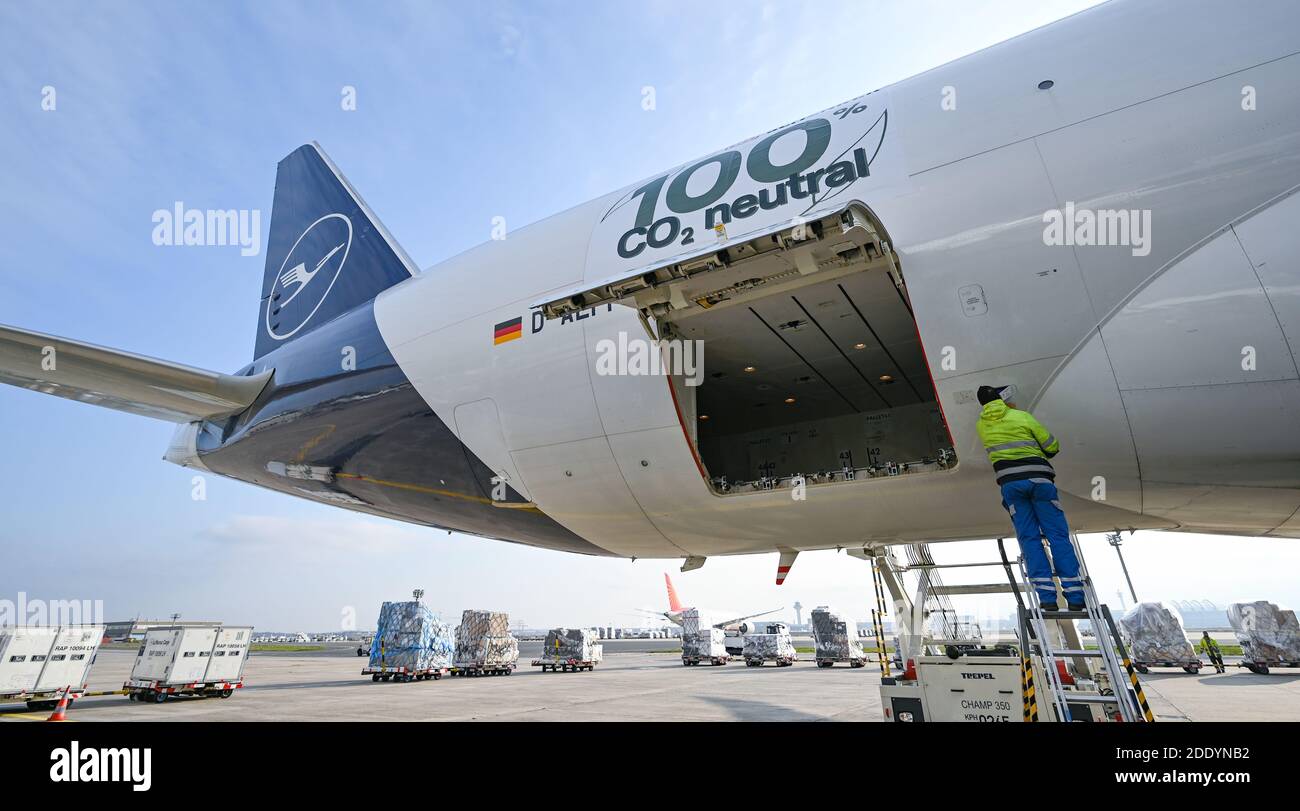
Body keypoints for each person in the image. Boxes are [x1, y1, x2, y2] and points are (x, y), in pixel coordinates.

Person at [976, 385, 1084, 612]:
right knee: (1057, 536)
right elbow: (1051, 446)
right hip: (1039, 481)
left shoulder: (982, 425)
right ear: (1000, 399)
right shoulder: (1021, 417)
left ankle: (1046, 598)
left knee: (1029, 539)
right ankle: (1075, 597)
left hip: (1010, 485)